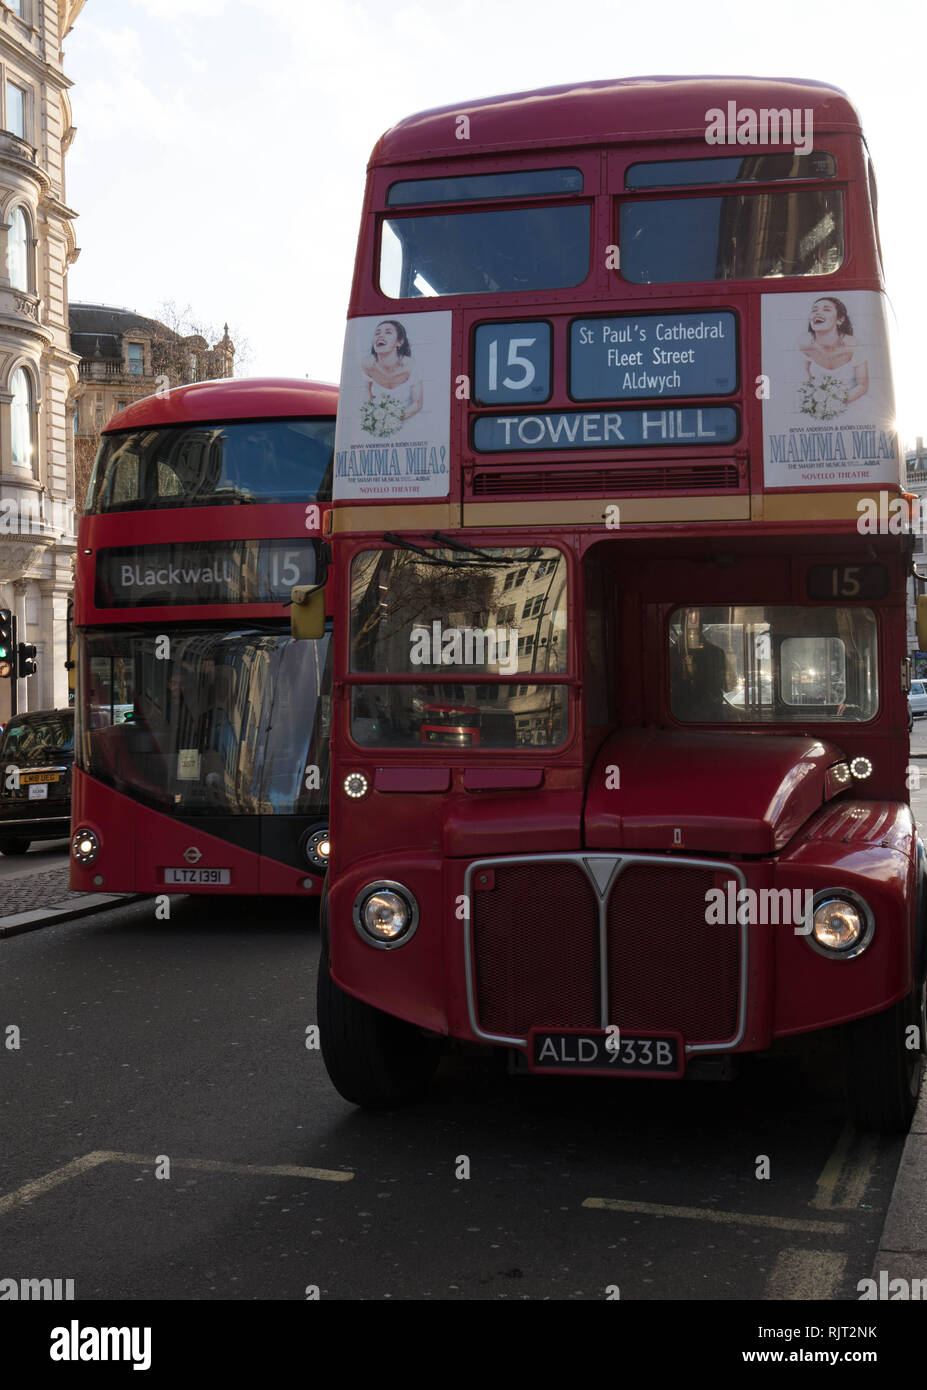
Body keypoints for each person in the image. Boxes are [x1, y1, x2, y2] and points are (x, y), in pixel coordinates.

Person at [799, 297, 869, 411]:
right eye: (814, 310)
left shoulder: (854, 345)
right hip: (818, 410)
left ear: (840, 319)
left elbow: (862, 385)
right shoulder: (804, 345)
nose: (818, 312)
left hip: (853, 407)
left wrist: (834, 403)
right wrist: (818, 404)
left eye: (826, 309)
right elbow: (805, 381)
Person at [361, 319, 423, 424]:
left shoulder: (411, 366)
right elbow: (366, 395)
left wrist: (391, 421)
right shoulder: (367, 364)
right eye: (377, 333)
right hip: (378, 425)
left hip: (408, 422)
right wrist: (377, 418)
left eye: (388, 332)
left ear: (400, 342)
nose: (380, 336)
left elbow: (417, 403)